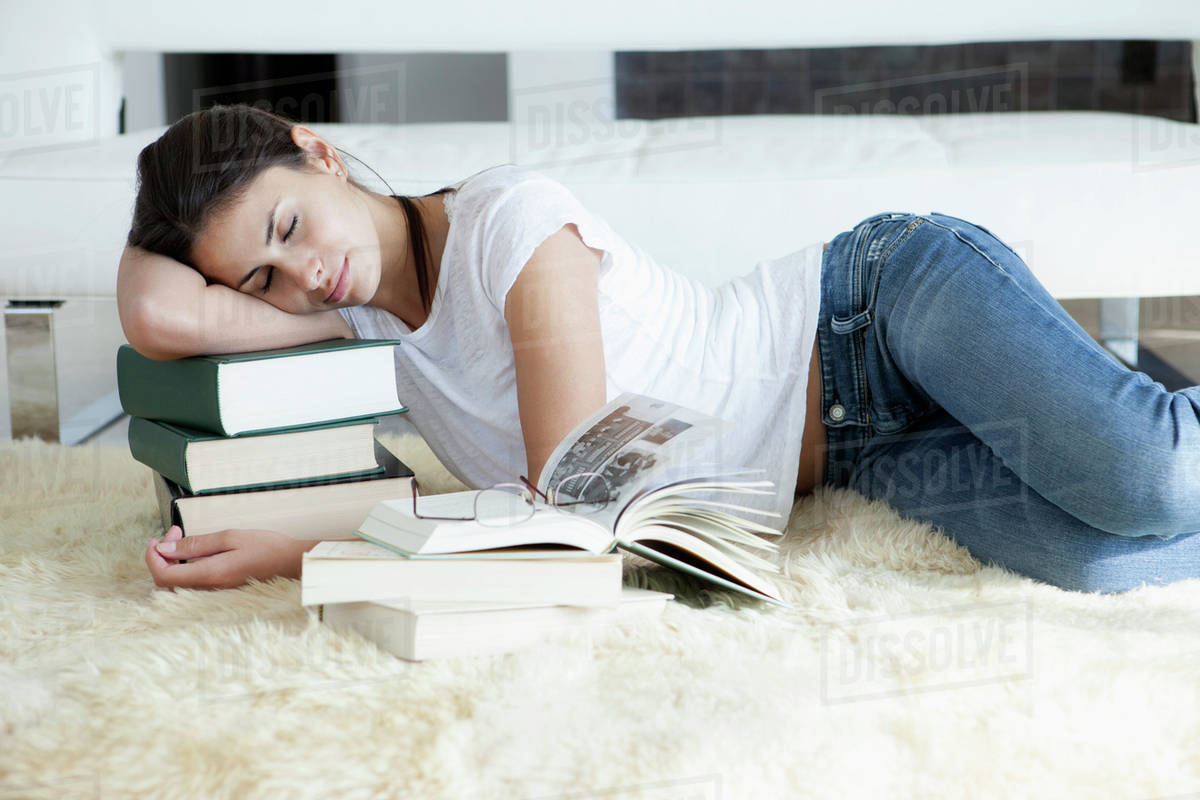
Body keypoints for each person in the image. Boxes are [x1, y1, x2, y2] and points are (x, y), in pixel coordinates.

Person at [122, 104, 1200, 595]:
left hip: (880, 306)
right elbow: (163, 311)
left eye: (287, 227)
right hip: (857, 454)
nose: (302, 277)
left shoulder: (512, 223)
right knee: (1102, 560)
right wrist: (181, 227)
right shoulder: (358, 319)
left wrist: (321, 540)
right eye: (261, 279)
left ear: (318, 153)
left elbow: (574, 496)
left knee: (1146, 476)